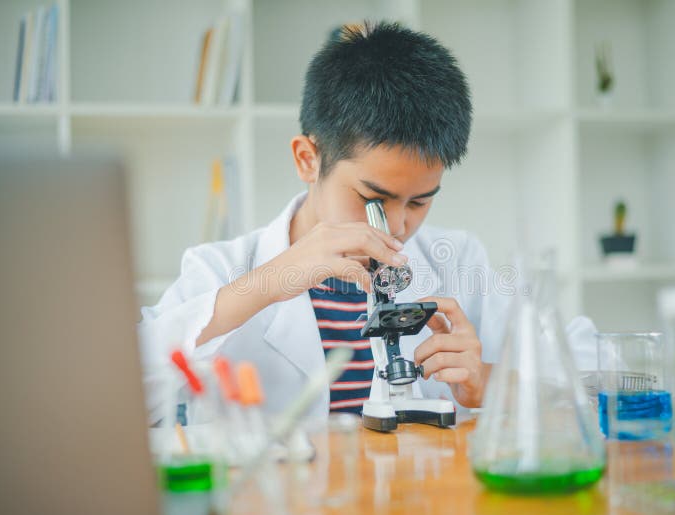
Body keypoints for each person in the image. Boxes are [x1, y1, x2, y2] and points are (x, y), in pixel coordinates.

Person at [138, 21, 596, 423]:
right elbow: (118, 397)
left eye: (420, 202)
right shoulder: (220, 268)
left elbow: (597, 364)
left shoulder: (458, 260)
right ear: (307, 159)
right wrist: (269, 283)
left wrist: (489, 382)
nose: (397, 227)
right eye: (373, 199)